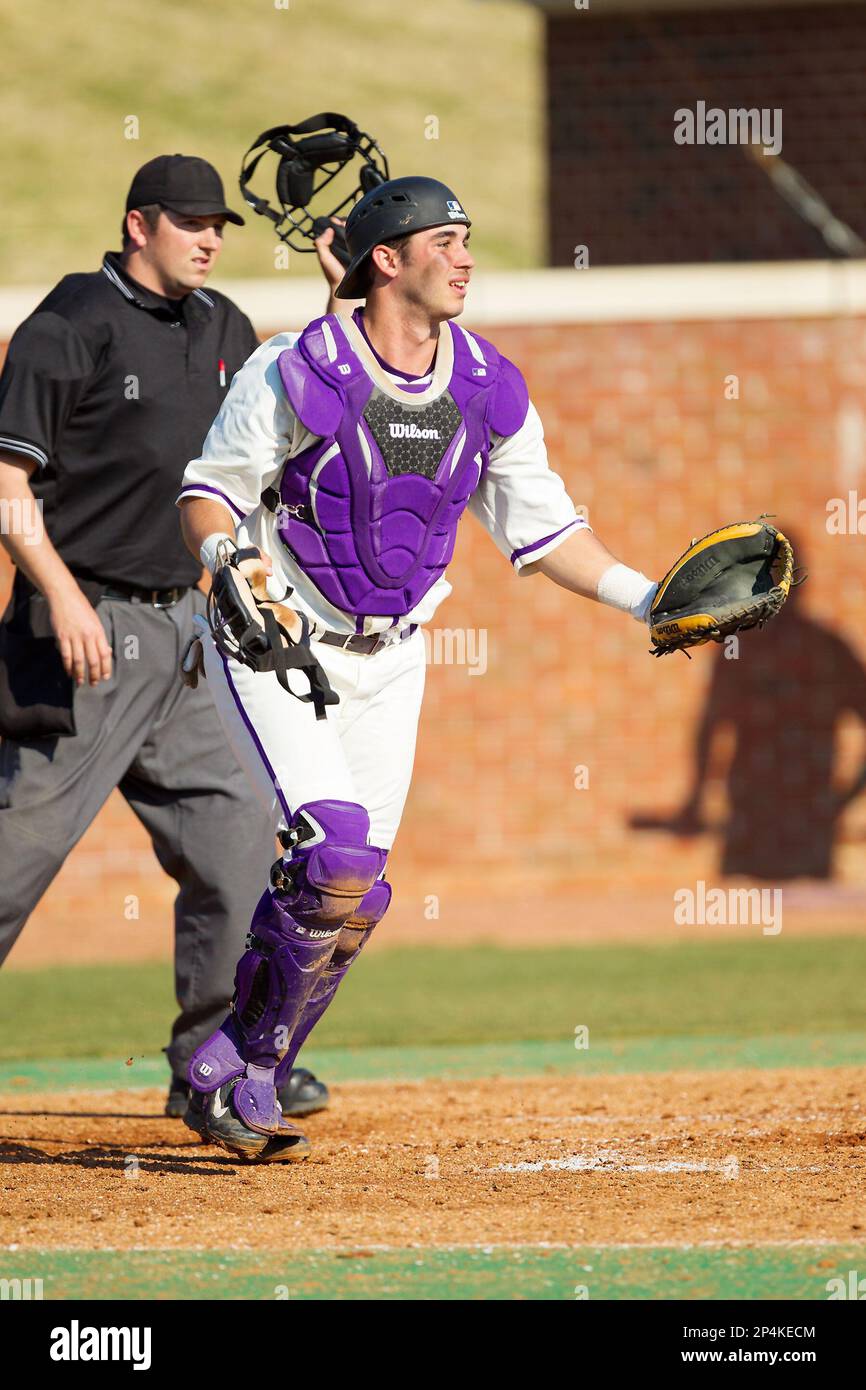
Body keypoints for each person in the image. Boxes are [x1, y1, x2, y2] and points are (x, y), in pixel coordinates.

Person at [178, 176, 659, 1163]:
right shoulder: (296, 366)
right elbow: (209, 493)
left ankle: (244, 1066)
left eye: (468, 237)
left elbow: (546, 534)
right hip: (278, 636)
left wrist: (648, 599)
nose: (465, 255)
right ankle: (234, 1065)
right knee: (333, 859)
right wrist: (232, 573)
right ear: (385, 259)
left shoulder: (489, 386)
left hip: (394, 657)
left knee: (360, 894)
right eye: (443, 239)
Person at [0, 154, 343, 1119]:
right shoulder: (70, 324)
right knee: (14, 856)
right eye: (190, 222)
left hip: (189, 635)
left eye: (220, 225)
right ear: (136, 224)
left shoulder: (224, 326)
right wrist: (62, 598)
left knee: (238, 840)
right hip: (87, 632)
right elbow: (8, 483)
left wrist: (337, 298)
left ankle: (217, 1065)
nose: (209, 238)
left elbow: (302, 399)